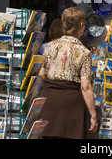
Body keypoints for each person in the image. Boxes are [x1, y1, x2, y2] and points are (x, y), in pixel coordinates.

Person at [38, 7, 98, 138]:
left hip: (49, 102)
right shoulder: (84, 52)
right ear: (81, 25)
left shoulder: (50, 47)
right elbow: (86, 87)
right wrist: (93, 115)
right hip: (71, 106)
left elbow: (41, 75)